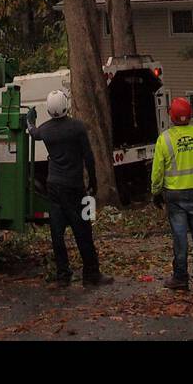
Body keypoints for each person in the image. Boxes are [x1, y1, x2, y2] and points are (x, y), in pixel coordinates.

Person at [26, 90, 113, 287]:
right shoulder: (77, 128)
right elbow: (88, 157)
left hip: (54, 186)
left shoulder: (45, 131)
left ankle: (63, 275)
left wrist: (29, 121)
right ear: (66, 105)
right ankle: (91, 274)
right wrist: (93, 182)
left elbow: (33, 132)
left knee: (57, 233)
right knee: (83, 231)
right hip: (75, 186)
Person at [151, 97, 193, 291]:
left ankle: (180, 277)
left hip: (174, 195)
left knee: (179, 236)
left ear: (171, 116)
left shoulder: (165, 139)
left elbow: (157, 170)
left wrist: (156, 192)